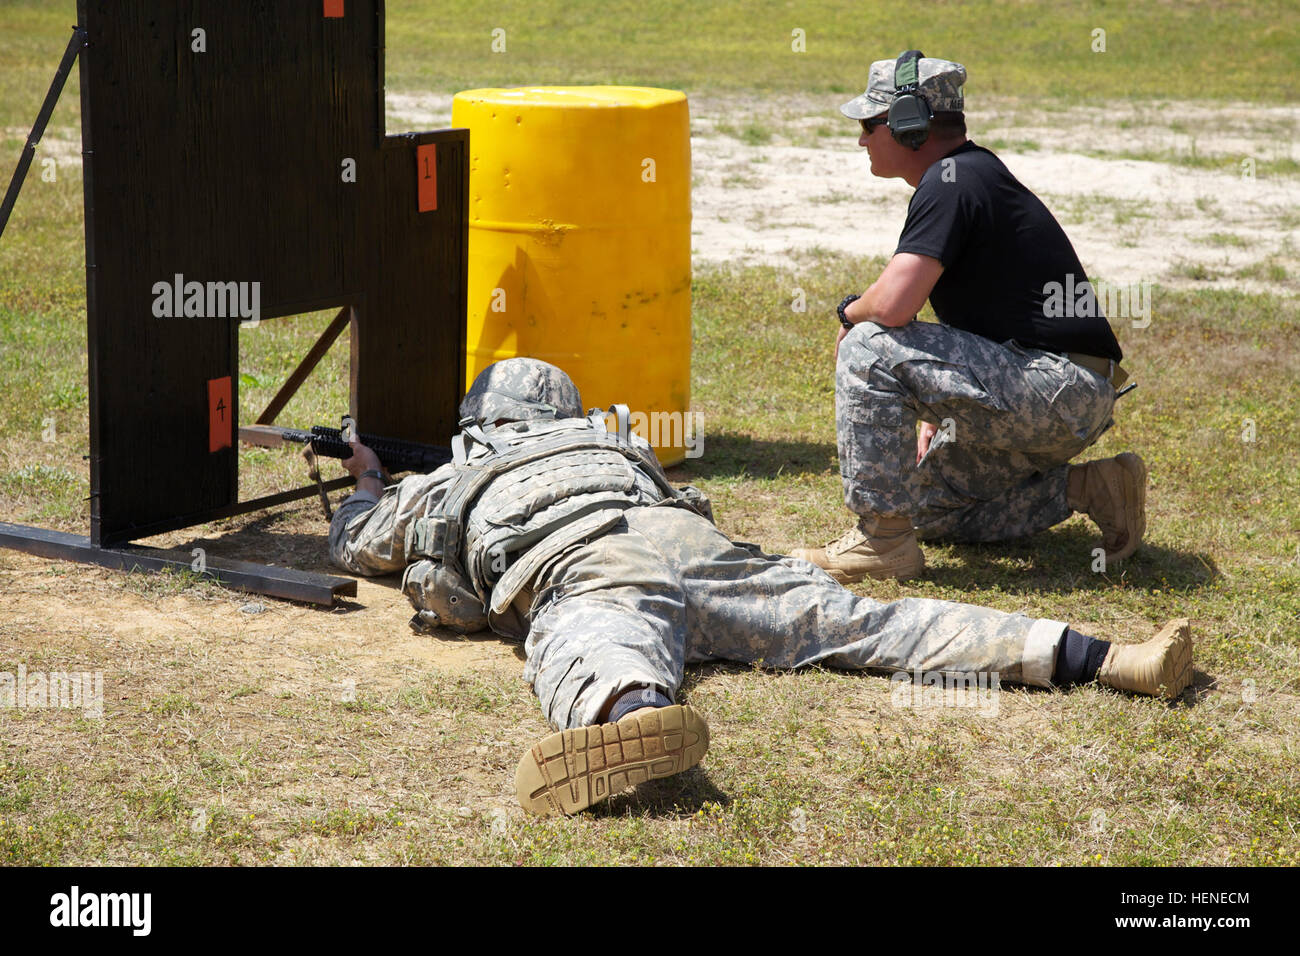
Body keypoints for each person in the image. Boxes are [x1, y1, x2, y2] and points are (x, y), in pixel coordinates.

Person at [329, 358, 1192, 816]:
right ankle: (1108, 657)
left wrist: (367, 480)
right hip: (698, 547)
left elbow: (359, 545)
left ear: (481, 421)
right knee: (871, 625)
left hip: (587, 564)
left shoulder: (459, 474)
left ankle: (632, 718)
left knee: (598, 646)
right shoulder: (614, 444)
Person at [792, 51, 1146, 584]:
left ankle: (881, 544)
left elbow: (891, 305)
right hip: (1060, 391)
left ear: (909, 125)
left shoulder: (951, 181)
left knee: (868, 342)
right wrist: (937, 412)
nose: (861, 138)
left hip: (1057, 388)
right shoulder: (965, 176)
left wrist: (847, 313)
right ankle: (1091, 488)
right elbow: (986, 322)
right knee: (926, 509)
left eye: (870, 124)